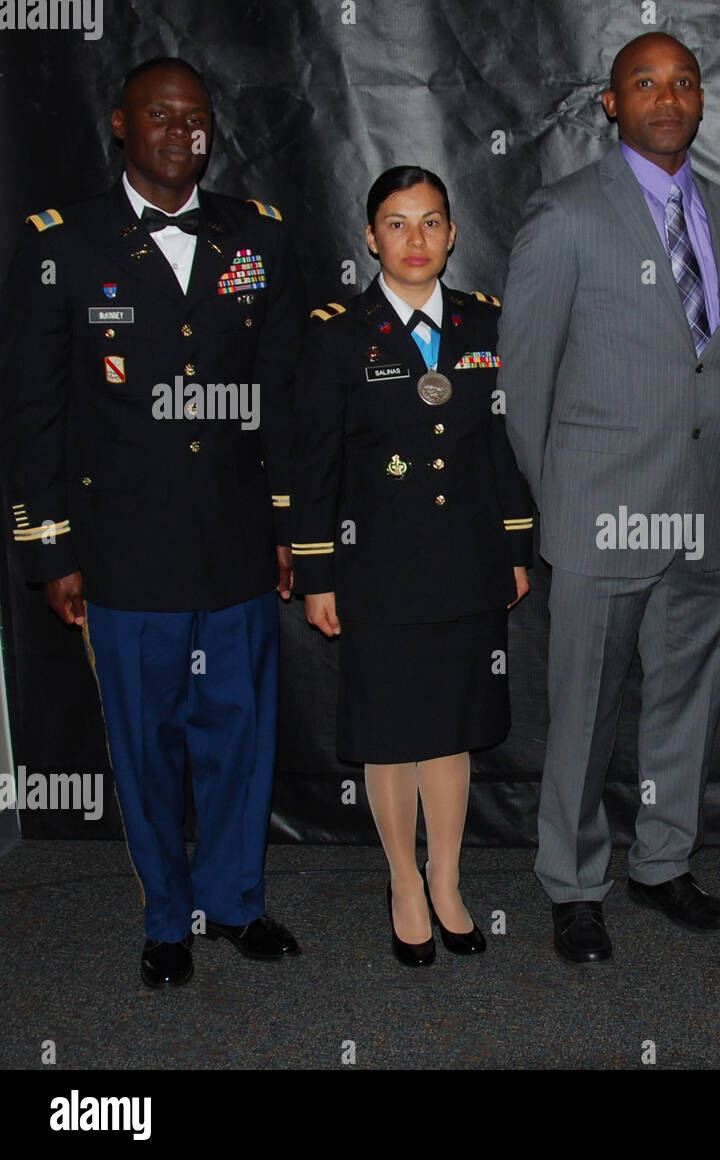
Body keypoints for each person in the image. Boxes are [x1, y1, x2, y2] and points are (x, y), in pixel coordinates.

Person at [0, 58, 302, 987]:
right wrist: (50, 546)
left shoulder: (255, 235)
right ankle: (168, 918)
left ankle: (237, 903)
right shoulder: (63, 246)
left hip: (235, 543)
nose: (183, 132)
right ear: (121, 127)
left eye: (199, 117)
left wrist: (291, 526)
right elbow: (32, 410)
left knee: (239, 738)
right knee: (146, 743)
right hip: (122, 553)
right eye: (161, 116)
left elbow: (281, 395)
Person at [499, 32, 720, 964]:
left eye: (683, 81)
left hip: (704, 513)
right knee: (584, 712)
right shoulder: (564, 215)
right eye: (643, 82)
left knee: (684, 703)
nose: (666, 96)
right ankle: (572, 884)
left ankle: (663, 863)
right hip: (601, 514)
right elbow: (523, 391)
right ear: (610, 102)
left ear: (700, 98)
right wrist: (564, 501)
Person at [293, 166, 532, 966]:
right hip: (377, 567)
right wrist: (319, 572)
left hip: (466, 561)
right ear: (370, 238)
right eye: (397, 224)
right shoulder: (335, 334)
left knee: (452, 728)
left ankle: (448, 879)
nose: (416, 239)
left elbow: (505, 447)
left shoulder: (486, 325)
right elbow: (314, 461)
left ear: (454, 233)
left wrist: (514, 545)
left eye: (432, 222)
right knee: (392, 732)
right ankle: (402, 882)